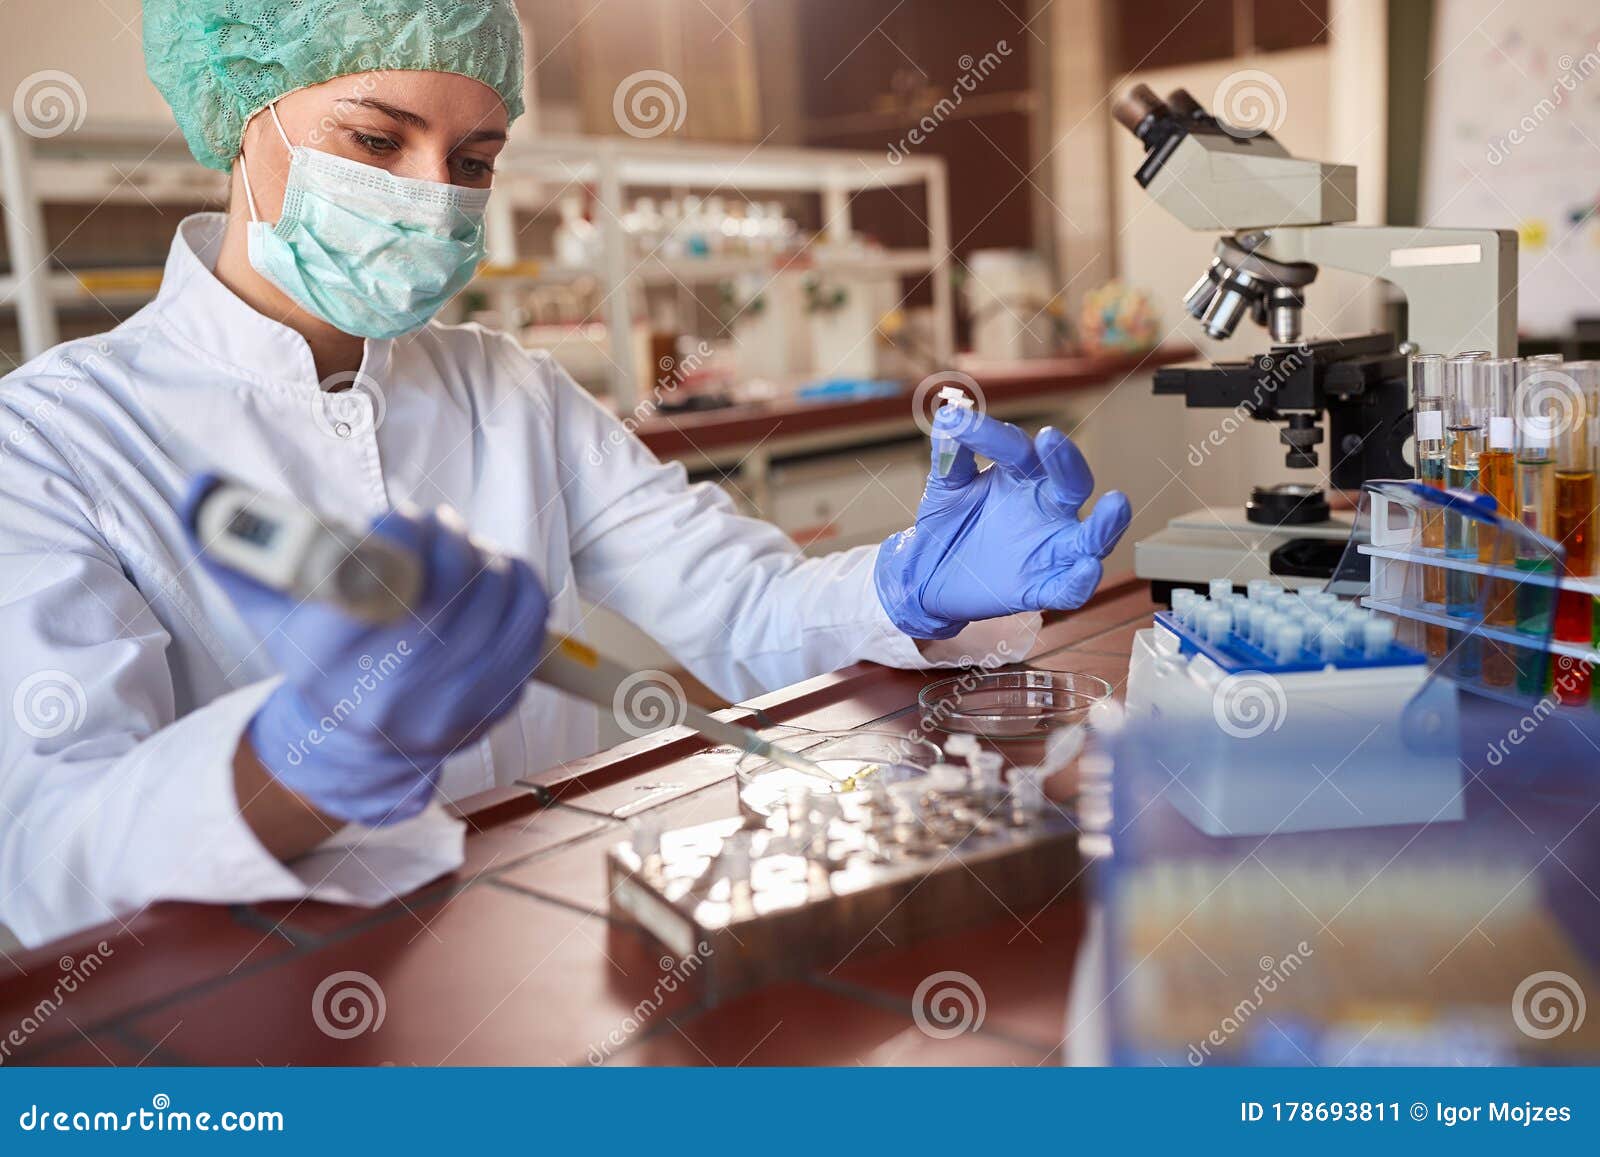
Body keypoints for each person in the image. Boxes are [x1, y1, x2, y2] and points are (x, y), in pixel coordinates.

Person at [0, 0, 1131, 947]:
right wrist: (298, 761)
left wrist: (902, 588)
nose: (436, 194)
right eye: (378, 142)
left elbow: (740, 603)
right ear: (241, 119)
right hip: (256, 1015)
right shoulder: (53, 437)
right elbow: (47, 846)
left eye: (475, 161)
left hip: (547, 946)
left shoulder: (509, 389)